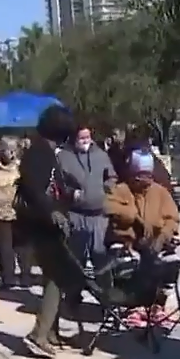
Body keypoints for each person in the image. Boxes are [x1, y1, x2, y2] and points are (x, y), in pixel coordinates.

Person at [18, 105, 82, 358]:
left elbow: (52, 185)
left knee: (53, 277)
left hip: (47, 223)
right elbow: (34, 188)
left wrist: (69, 193)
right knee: (56, 276)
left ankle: (51, 331)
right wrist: (53, 212)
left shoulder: (45, 150)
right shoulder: (38, 152)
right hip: (42, 224)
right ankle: (38, 335)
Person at [106, 149, 180, 326]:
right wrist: (135, 218)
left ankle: (158, 305)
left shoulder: (160, 192)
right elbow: (108, 207)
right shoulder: (121, 190)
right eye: (140, 175)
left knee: (171, 262)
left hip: (155, 242)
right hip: (128, 242)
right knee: (129, 262)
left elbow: (172, 219)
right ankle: (132, 307)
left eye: (148, 175)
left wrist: (162, 237)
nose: (144, 180)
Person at [56, 126, 116, 300]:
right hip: (75, 214)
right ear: (74, 138)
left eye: (88, 136)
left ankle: (107, 299)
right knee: (76, 259)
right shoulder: (63, 157)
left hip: (99, 215)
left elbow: (111, 176)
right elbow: (58, 183)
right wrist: (69, 192)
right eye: (81, 137)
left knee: (101, 258)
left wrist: (108, 187)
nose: (85, 140)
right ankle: (73, 297)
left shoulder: (101, 155)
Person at [0, 136, 35, 289]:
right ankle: (7, 278)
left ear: (15, 151)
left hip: (21, 211)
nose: (5, 152)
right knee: (4, 247)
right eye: (2, 149)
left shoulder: (24, 167)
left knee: (23, 246)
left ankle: (25, 275)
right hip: (1, 212)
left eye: (8, 149)